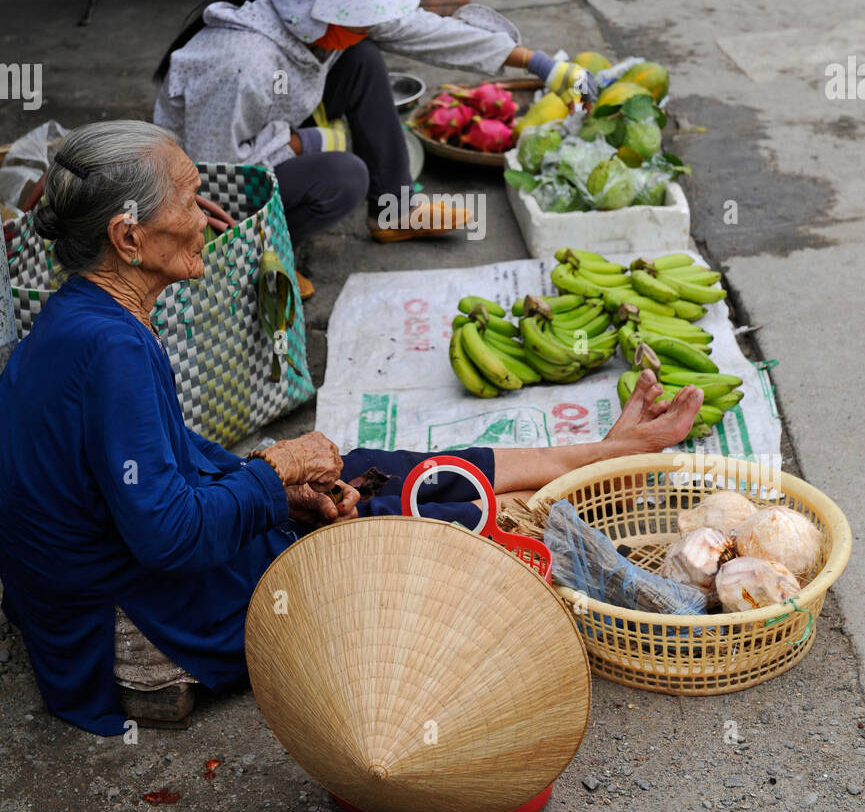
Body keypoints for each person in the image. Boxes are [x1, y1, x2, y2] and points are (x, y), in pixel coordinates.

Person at [0, 120, 703, 735]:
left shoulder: (73, 320)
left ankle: (602, 451)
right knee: (399, 531)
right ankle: (606, 475)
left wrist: (284, 483)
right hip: (134, 614)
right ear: (128, 237)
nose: (208, 215)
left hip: (98, 581)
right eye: (187, 199)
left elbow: (152, 471)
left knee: (360, 474)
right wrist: (273, 476)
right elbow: (168, 533)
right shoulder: (112, 346)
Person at [153, 0, 593, 246]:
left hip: (268, 136)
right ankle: (264, 255)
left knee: (360, 56)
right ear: (315, 9)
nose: (372, 20)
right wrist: (314, 143)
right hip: (207, 189)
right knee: (345, 175)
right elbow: (213, 177)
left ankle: (395, 210)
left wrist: (540, 65)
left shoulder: (322, 26)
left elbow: (424, 31)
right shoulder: (240, 65)